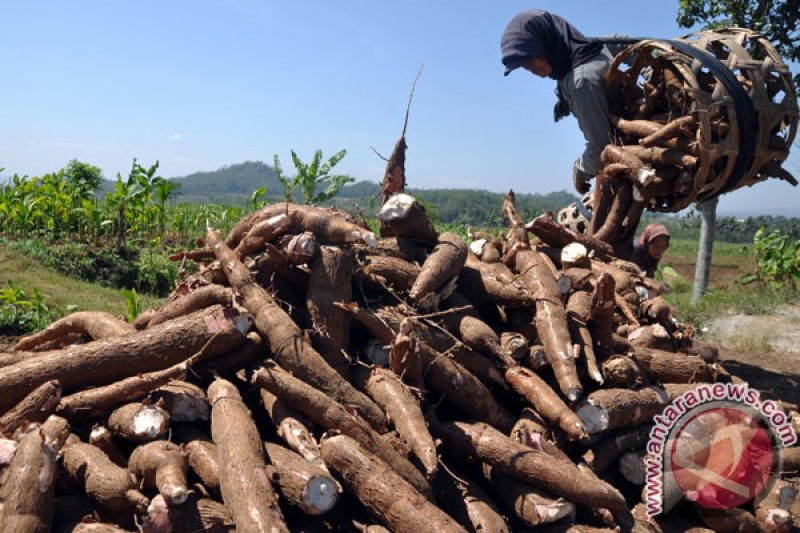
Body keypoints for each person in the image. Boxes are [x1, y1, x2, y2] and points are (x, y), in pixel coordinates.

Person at [500, 10, 619, 195]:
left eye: (530, 58)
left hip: (621, 155)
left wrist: (579, 171)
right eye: (524, 65)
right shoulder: (589, 48)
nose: (530, 69)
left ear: (546, 43)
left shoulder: (581, 81)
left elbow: (602, 147)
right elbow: (623, 41)